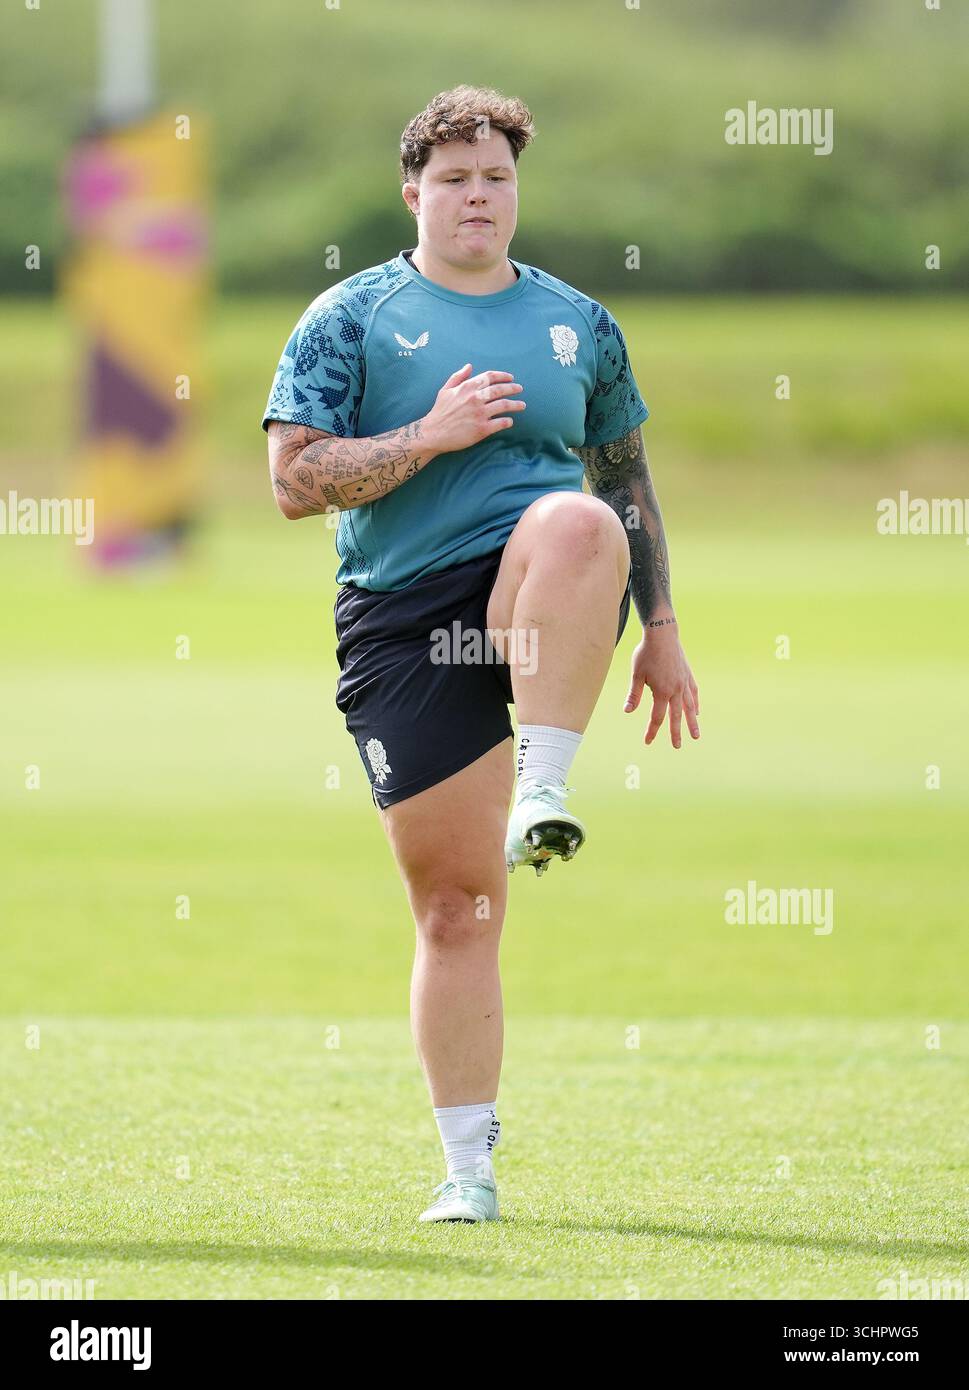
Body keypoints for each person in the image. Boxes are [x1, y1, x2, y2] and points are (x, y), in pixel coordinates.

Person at [261, 85, 699, 1224]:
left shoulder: (579, 323)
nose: (477, 196)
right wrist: (431, 433)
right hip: (403, 615)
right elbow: (293, 484)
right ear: (414, 193)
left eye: (496, 176)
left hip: (537, 587)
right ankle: (468, 1171)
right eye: (454, 179)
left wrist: (660, 629)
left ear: (517, 189)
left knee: (576, 519)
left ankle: (545, 784)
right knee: (460, 907)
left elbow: (624, 480)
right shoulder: (349, 317)